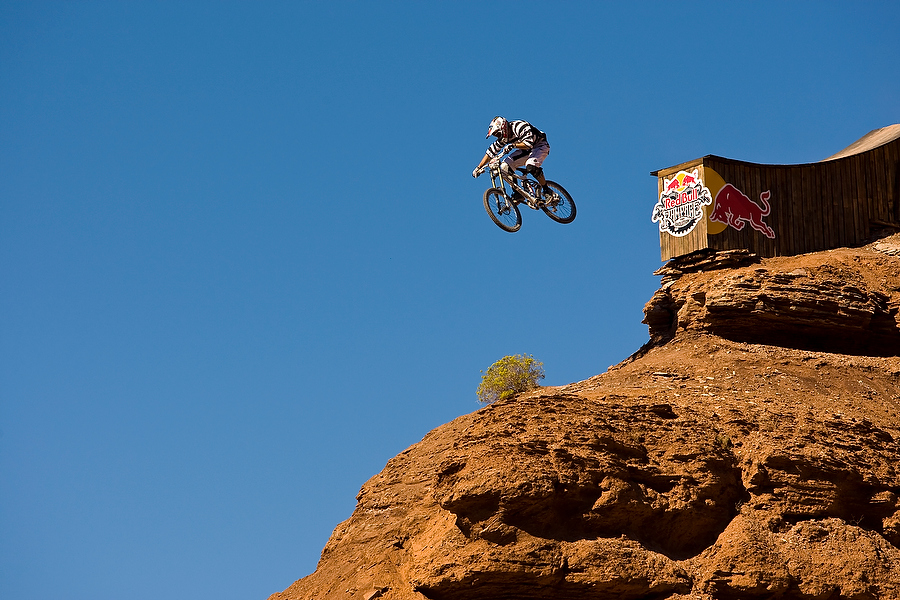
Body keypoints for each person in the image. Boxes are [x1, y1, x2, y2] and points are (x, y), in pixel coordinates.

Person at [472, 116, 551, 199]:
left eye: (498, 134)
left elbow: (529, 143)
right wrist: (478, 167)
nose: (498, 137)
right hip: (525, 150)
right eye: (495, 136)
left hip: (539, 145)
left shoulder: (519, 126)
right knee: (504, 166)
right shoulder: (503, 139)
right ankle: (518, 193)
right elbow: (491, 152)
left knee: (530, 166)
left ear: (503, 128)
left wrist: (513, 145)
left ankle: (547, 190)